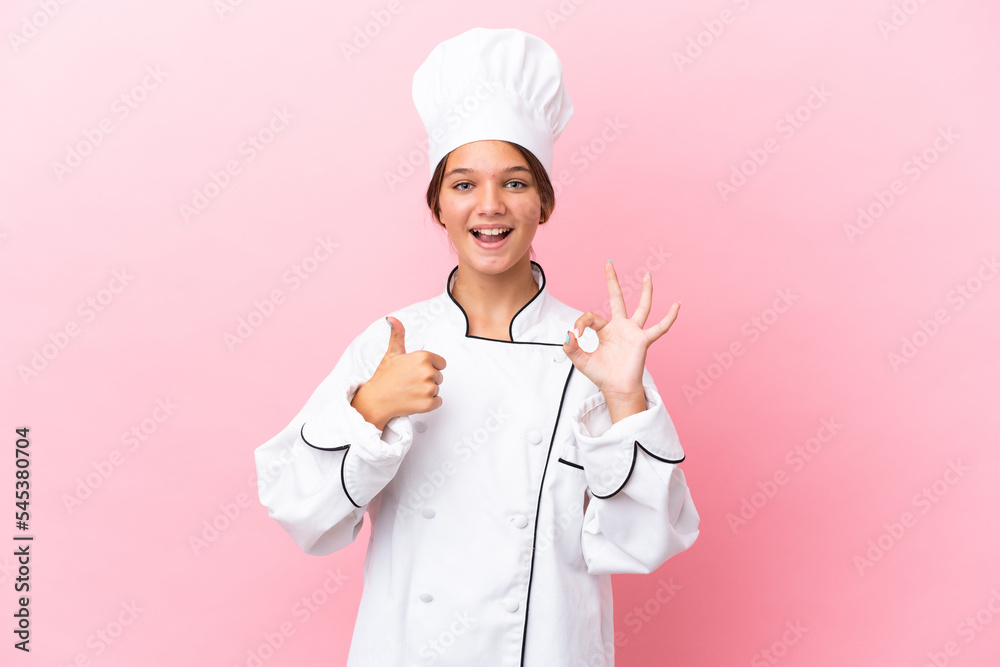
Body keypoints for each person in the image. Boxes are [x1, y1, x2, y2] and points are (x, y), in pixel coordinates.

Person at [254, 26, 699, 667]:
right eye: (463, 184)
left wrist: (626, 398)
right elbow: (301, 513)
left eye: (515, 183)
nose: (489, 205)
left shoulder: (596, 354)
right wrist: (368, 411)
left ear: (544, 202)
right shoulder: (390, 346)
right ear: (437, 204)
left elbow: (649, 539)